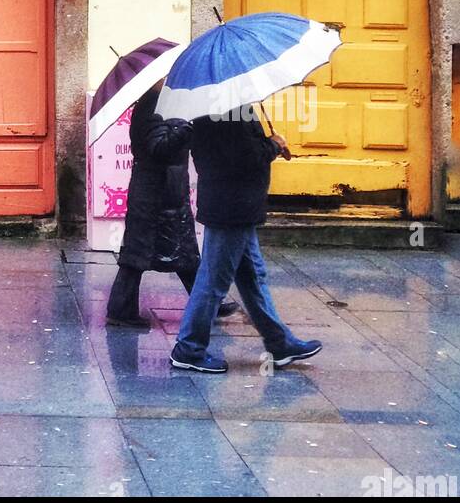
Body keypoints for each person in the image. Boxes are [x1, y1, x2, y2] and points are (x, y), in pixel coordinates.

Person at [169, 109, 323, 373]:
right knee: (213, 280)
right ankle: (189, 348)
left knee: (253, 276)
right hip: (231, 207)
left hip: (236, 206)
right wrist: (274, 144)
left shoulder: (222, 106)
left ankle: (280, 343)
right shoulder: (227, 110)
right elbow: (242, 157)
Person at [106, 84, 239, 329]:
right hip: (151, 194)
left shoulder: (167, 103)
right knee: (137, 254)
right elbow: (158, 148)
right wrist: (185, 129)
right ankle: (120, 310)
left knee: (186, 253)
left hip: (170, 191)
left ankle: (210, 304)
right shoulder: (150, 105)